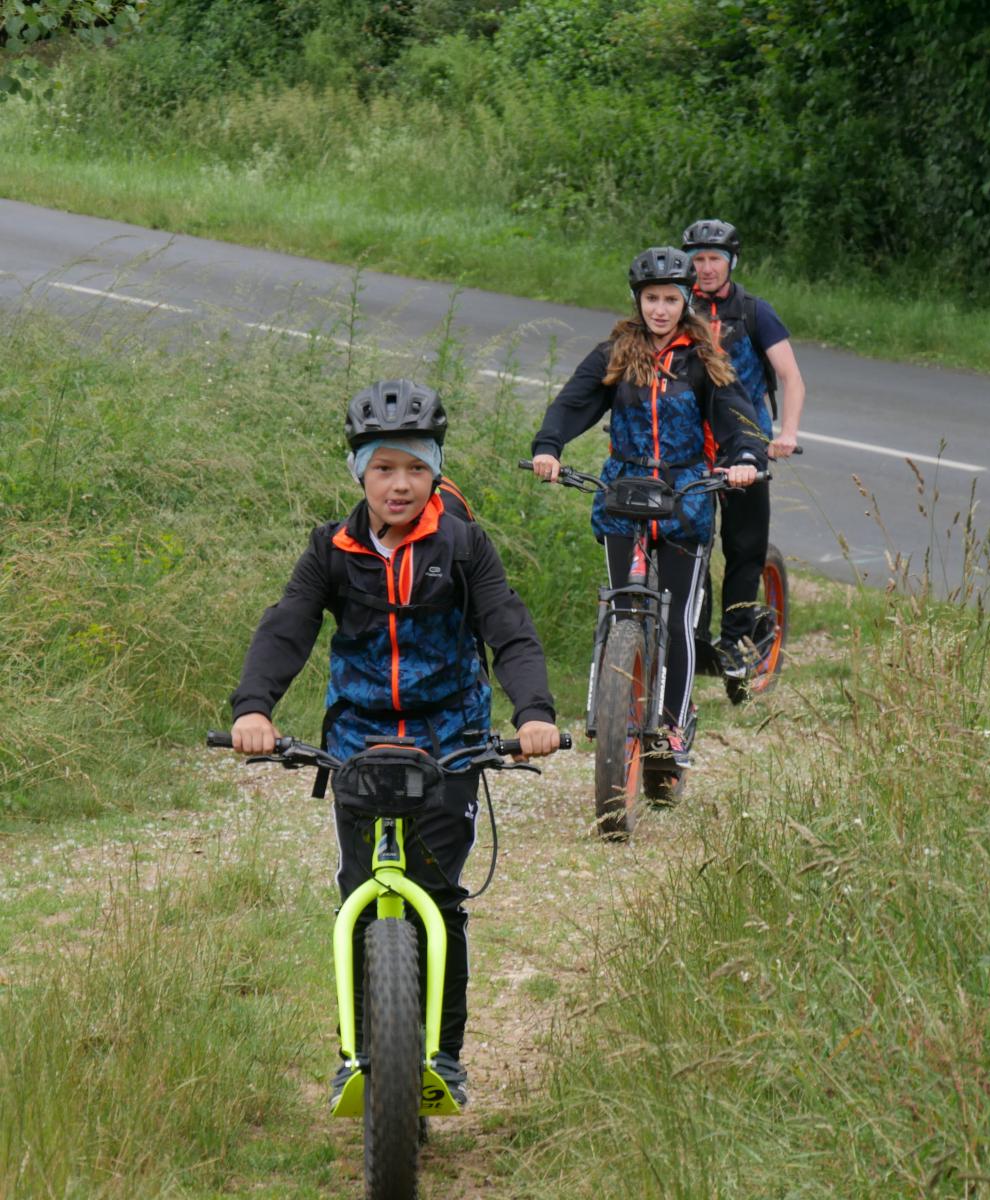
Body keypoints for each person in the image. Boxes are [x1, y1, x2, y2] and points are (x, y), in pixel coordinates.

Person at [227, 379, 560, 1110]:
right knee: (359, 891)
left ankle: (442, 1053)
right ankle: (357, 1054)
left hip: (450, 740)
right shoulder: (333, 549)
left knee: (438, 897)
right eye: (384, 468)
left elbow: (507, 625)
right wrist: (254, 707)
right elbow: (288, 625)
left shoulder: (464, 544)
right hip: (359, 741)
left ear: (436, 469)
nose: (400, 484)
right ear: (360, 474)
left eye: (414, 467)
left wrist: (533, 712)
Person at [529, 247, 765, 774]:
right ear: (638, 301)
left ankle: (675, 727)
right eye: (651, 299)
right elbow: (574, 402)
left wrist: (744, 459)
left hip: (685, 494)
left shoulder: (704, 358)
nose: (660, 309)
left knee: (678, 617)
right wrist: (549, 446)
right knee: (624, 607)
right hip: (625, 490)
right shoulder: (616, 352)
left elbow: (735, 418)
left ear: (686, 302)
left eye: (670, 299)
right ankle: (617, 704)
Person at [681, 218, 806, 676]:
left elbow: (790, 376)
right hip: (689, 445)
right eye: (698, 260)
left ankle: (734, 642)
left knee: (744, 545)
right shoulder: (675, 306)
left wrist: (785, 433)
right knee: (689, 539)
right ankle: (692, 637)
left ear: (732, 262)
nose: (706, 268)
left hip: (744, 446)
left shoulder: (755, 312)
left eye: (714, 259)